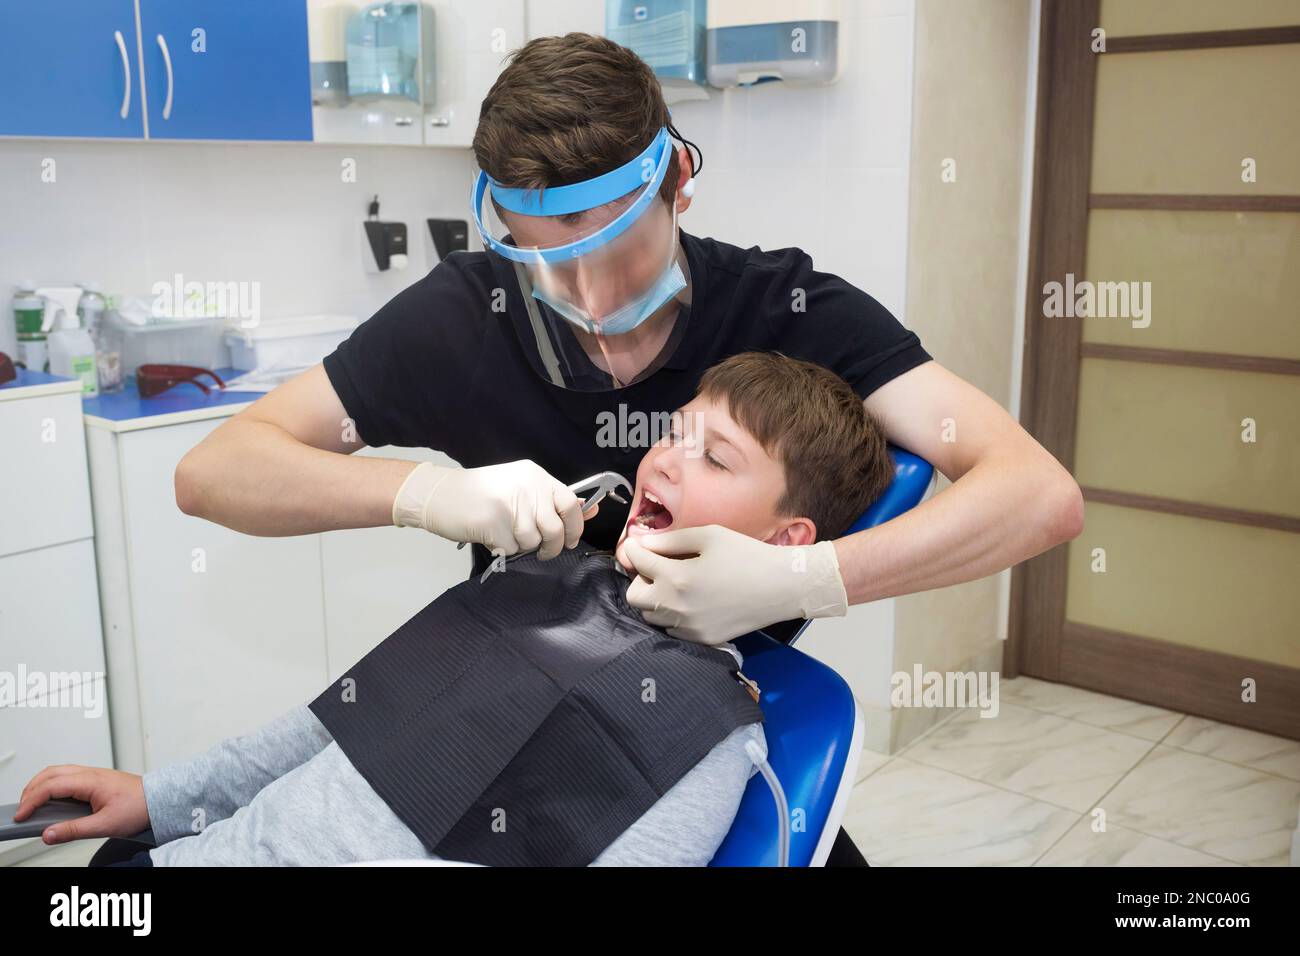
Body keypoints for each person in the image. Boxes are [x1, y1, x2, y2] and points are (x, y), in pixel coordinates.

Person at [174, 34, 1083, 865]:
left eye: (618, 252)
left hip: (665, 731)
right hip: (492, 680)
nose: (591, 298)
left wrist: (805, 583)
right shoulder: (464, 317)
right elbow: (215, 472)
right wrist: (421, 493)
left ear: (678, 178)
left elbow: (1036, 492)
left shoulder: (792, 314)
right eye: (550, 263)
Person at [17, 352, 895, 867]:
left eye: (716, 459)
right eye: (675, 433)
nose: (663, 462)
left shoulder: (709, 727)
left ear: (788, 544)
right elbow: (336, 729)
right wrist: (159, 800)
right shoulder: (533, 578)